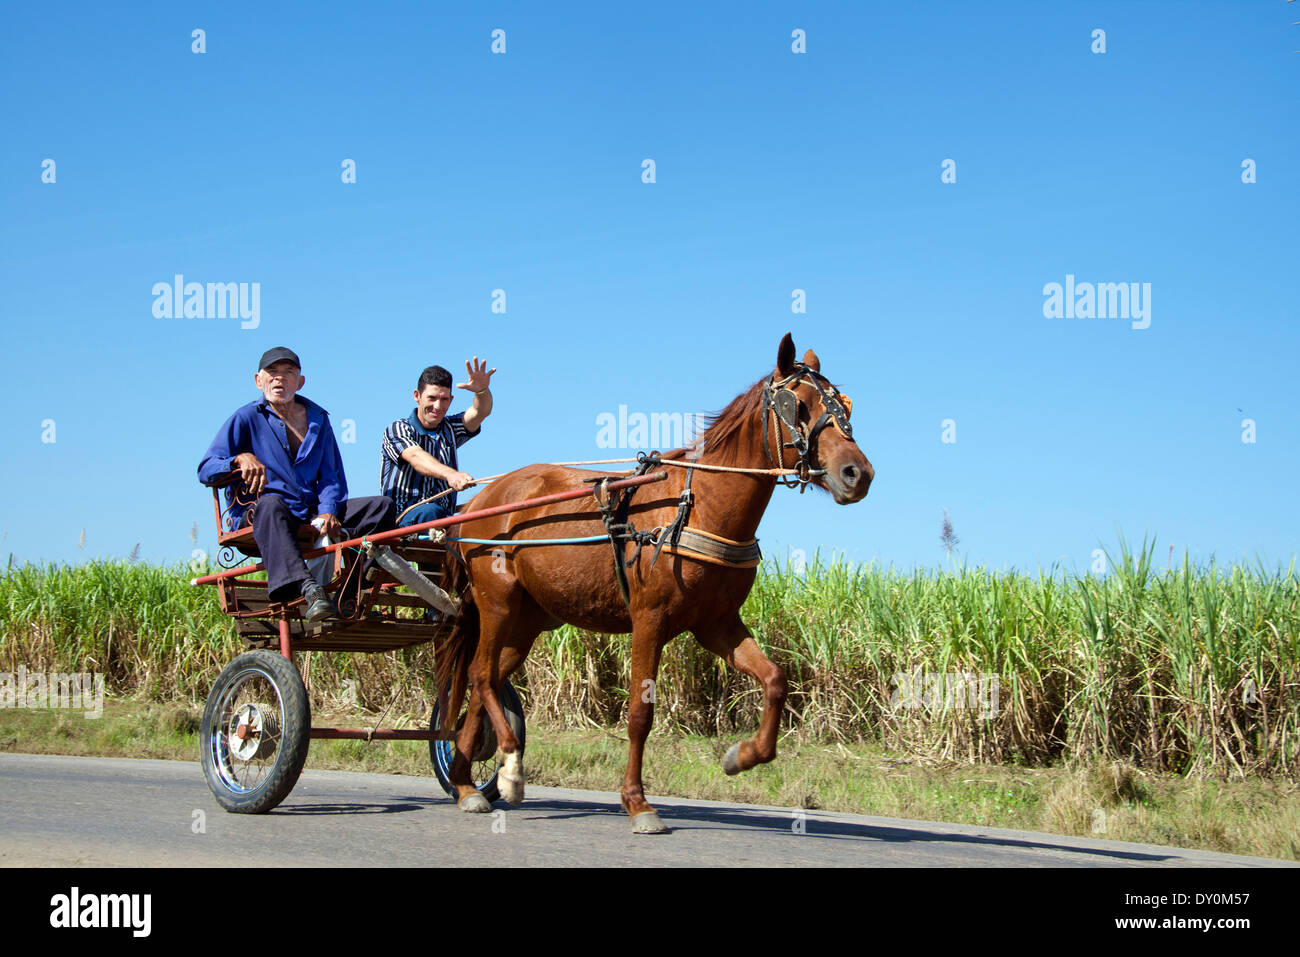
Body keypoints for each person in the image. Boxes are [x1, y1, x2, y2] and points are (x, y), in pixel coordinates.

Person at [199, 347, 396, 621]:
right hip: (267, 513)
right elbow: (206, 468)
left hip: (310, 509)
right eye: (272, 373)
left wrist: (328, 510)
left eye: (288, 373)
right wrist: (238, 459)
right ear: (259, 380)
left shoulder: (318, 419)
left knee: (382, 507)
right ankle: (307, 587)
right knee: (270, 504)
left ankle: (348, 593)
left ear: (299, 382)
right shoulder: (246, 418)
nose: (279, 379)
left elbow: (332, 476)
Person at [380, 358, 496, 527]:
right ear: (417, 396)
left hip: (442, 520)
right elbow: (415, 456)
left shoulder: (450, 428)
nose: (437, 406)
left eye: (444, 399)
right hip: (402, 521)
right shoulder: (398, 429)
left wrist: (482, 391)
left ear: (451, 400)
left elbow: (480, 412)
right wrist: (451, 474)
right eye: (432, 398)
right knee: (432, 512)